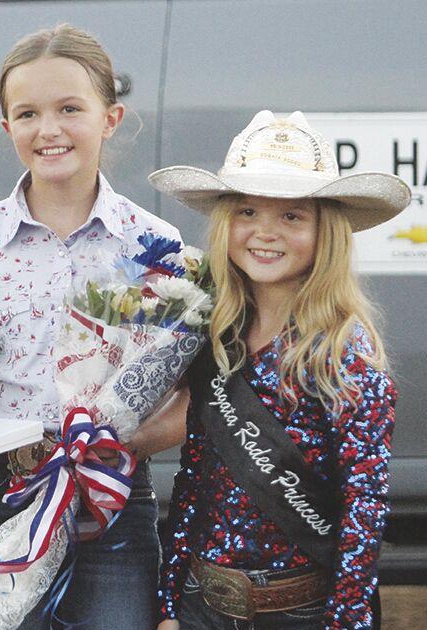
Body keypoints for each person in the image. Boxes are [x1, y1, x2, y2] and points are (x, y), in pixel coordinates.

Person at [0, 23, 186, 628]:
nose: (48, 129)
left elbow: (181, 389)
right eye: (28, 114)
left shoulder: (154, 244)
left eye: (70, 108)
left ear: (111, 117)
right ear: (7, 128)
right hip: (0, 489)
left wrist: (119, 447)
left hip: (111, 494)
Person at [151, 111, 409, 630]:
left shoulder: (342, 352)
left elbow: (365, 505)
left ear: (325, 232)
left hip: (297, 611)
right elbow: (195, 478)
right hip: (203, 603)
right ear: (225, 222)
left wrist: (347, 622)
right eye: (247, 210)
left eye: (292, 216)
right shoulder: (215, 337)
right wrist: (170, 605)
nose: (265, 232)